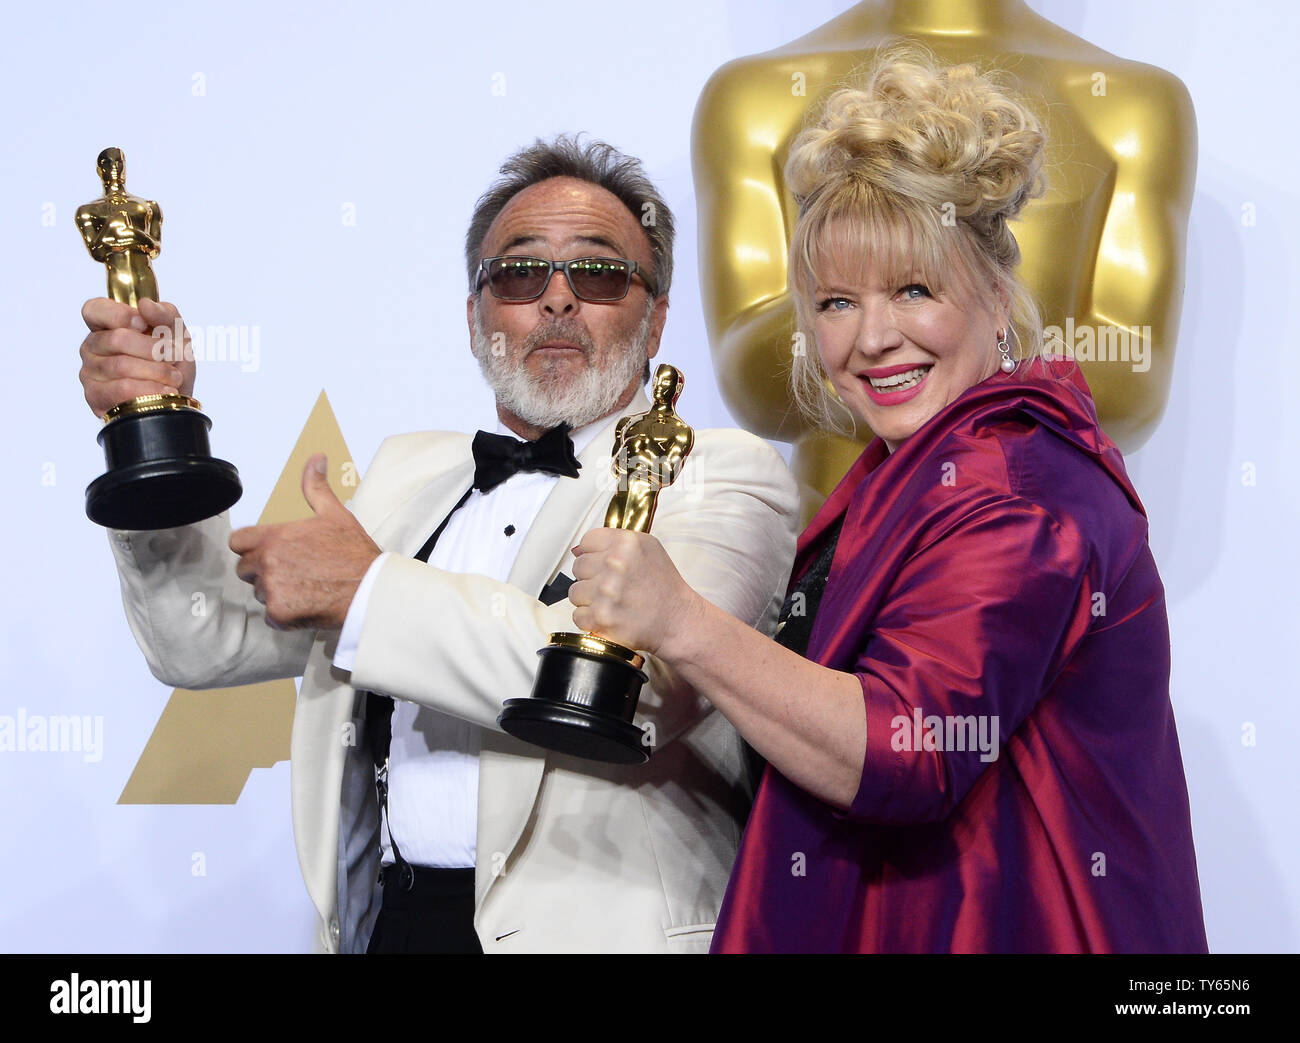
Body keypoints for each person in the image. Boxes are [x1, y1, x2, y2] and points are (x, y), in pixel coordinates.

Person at [79, 136, 799, 953]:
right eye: (521, 273)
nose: (558, 300)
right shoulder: (405, 472)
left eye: (597, 273)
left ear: (657, 315)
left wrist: (367, 591)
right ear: (474, 317)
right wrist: (151, 440)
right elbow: (198, 638)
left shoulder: (722, 472)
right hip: (394, 927)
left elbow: (640, 694)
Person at [569, 53, 1208, 953]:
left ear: (995, 294)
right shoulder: (912, 468)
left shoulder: (1018, 491)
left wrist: (682, 623)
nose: (871, 338)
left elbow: (906, 749)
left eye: (914, 288)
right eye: (835, 301)